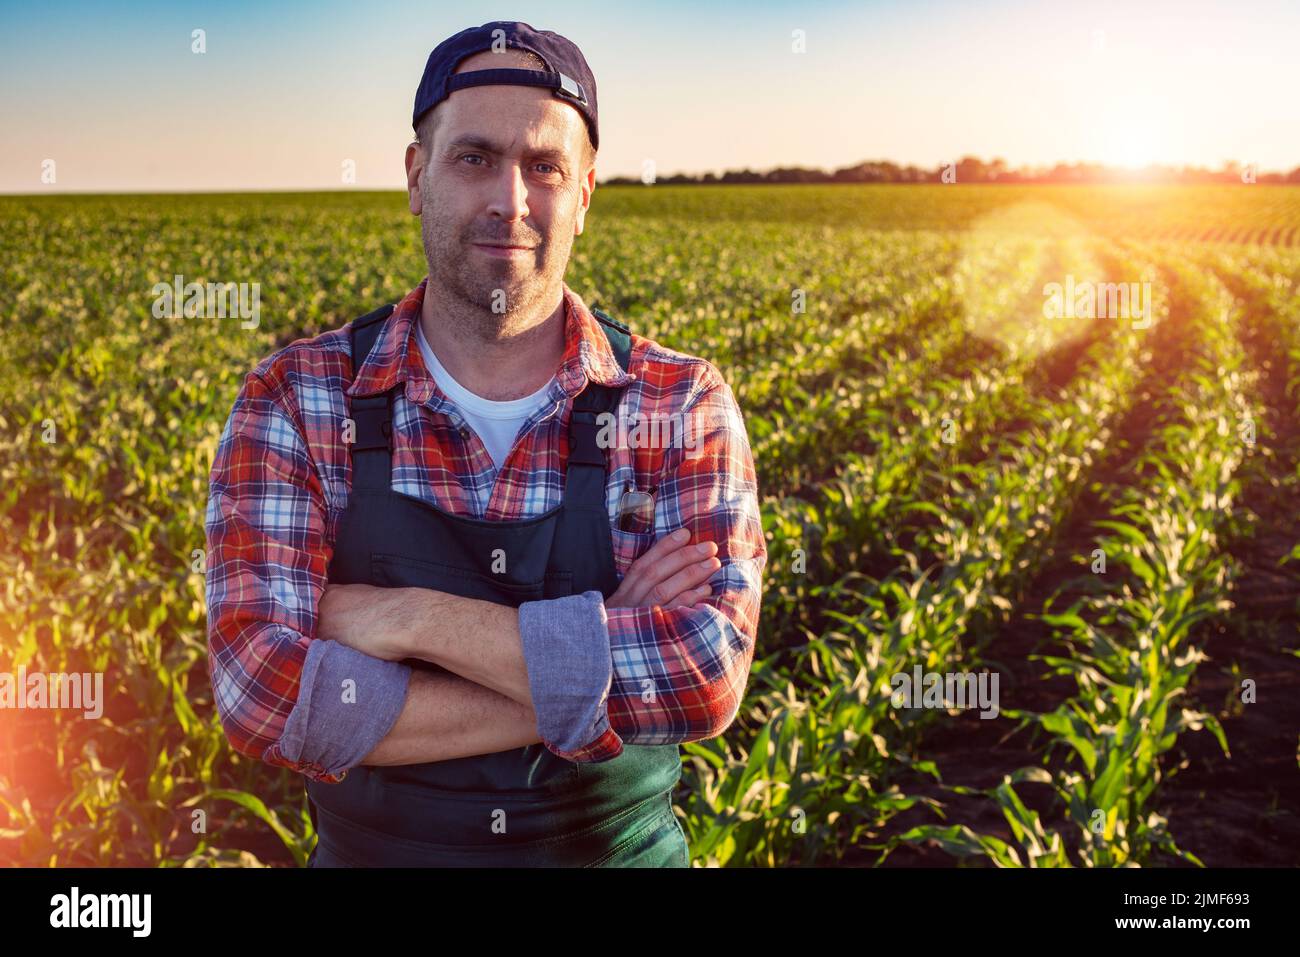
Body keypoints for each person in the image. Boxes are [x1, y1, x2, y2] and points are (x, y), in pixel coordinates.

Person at [204, 20, 766, 867]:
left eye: (543, 166)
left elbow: (703, 676)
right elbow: (263, 692)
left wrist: (399, 619)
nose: (509, 198)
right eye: (473, 158)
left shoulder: (678, 406)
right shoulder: (296, 400)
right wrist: (602, 647)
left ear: (582, 193)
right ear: (416, 176)